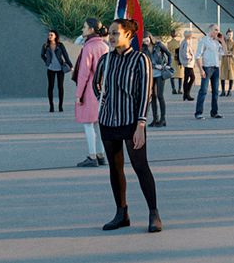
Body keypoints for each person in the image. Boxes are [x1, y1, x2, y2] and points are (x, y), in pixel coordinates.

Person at [92, 18, 161, 233]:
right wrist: (103, 102)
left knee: (140, 166)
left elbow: (146, 93)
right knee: (115, 168)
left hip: (132, 122)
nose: (111, 37)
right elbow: (96, 84)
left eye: (116, 33)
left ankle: (153, 213)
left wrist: (141, 124)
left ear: (128, 35)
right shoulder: (106, 60)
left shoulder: (140, 60)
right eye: (110, 33)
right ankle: (121, 213)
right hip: (108, 121)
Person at [73, 17, 108, 165]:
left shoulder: (89, 47)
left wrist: (78, 94)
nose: (82, 29)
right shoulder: (104, 46)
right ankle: (101, 155)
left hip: (89, 89)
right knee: (99, 124)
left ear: (91, 29)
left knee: (88, 124)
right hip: (102, 89)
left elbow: (84, 73)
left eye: (84, 27)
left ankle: (92, 156)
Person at [192, 25, 223, 121]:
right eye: (216, 30)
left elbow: (224, 53)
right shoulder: (204, 40)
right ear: (211, 30)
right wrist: (201, 70)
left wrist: (222, 41)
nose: (218, 32)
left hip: (216, 68)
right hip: (207, 68)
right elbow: (197, 56)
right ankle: (198, 113)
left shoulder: (216, 42)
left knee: (215, 91)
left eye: (218, 30)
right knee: (203, 90)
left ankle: (214, 112)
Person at [42, 29, 71, 112]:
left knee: (60, 87)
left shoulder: (60, 45)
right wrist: (47, 62)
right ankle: (51, 106)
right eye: (49, 35)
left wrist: (70, 65)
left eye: (51, 35)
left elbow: (65, 55)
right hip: (50, 69)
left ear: (55, 36)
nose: (50, 36)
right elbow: (42, 55)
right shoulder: (46, 46)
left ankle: (60, 106)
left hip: (60, 68)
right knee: (50, 87)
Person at [148, 33, 171, 127]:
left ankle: (163, 119)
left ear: (150, 38)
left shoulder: (158, 45)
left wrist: (168, 65)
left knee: (160, 95)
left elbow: (169, 54)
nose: (145, 41)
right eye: (143, 40)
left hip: (160, 74)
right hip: (150, 74)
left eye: (146, 39)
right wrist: (154, 66)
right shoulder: (143, 48)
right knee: (152, 96)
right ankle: (155, 119)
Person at [219, 28, 234, 97]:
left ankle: (230, 90)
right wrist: (227, 52)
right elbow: (222, 50)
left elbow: (233, 52)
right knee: (223, 75)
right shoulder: (224, 42)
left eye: (231, 35)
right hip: (224, 60)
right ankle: (223, 90)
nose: (229, 36)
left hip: (231, 61)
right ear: (226, 35)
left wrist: (226, 52)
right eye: (228, 35)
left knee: (231, 76)